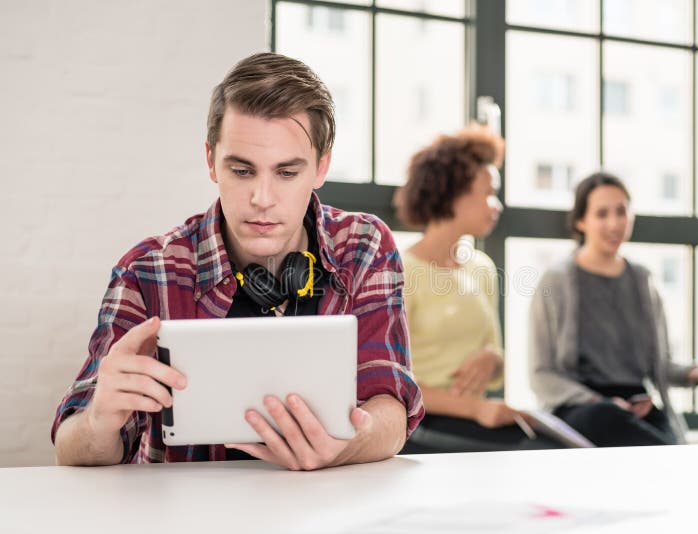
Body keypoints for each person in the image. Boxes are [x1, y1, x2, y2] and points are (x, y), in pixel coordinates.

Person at [51, 52, 424, 469]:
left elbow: (390, 403)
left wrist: (350, 442)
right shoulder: (147, 270)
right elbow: (70, 446)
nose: (262, 199)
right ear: (211, 161)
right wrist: (100, 419)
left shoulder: (364, 246)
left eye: (286, 173)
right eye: (242, 171)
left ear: (321, 168)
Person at [529, 172, 698, 447]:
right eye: (602, 214)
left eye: (621, 211)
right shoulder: (556, 280)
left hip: (638, 405)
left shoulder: (642, 279)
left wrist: (694, 373)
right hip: (583, 405)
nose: (614, 223)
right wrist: (601, 401)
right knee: (609, 418)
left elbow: (659, 364)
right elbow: (541, 375)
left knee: (665, 433)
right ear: (581, 221)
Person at [395, 126, 559, 453]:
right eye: (488, 193)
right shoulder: (401, 271)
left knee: (556, 448)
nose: (496, 205)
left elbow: (495, 357)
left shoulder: (481, 268)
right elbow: (393, 385)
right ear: (453, 194)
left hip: (473, 419)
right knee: (534, 454)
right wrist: (477, 409)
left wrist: (491, 359)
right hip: (418, 423)